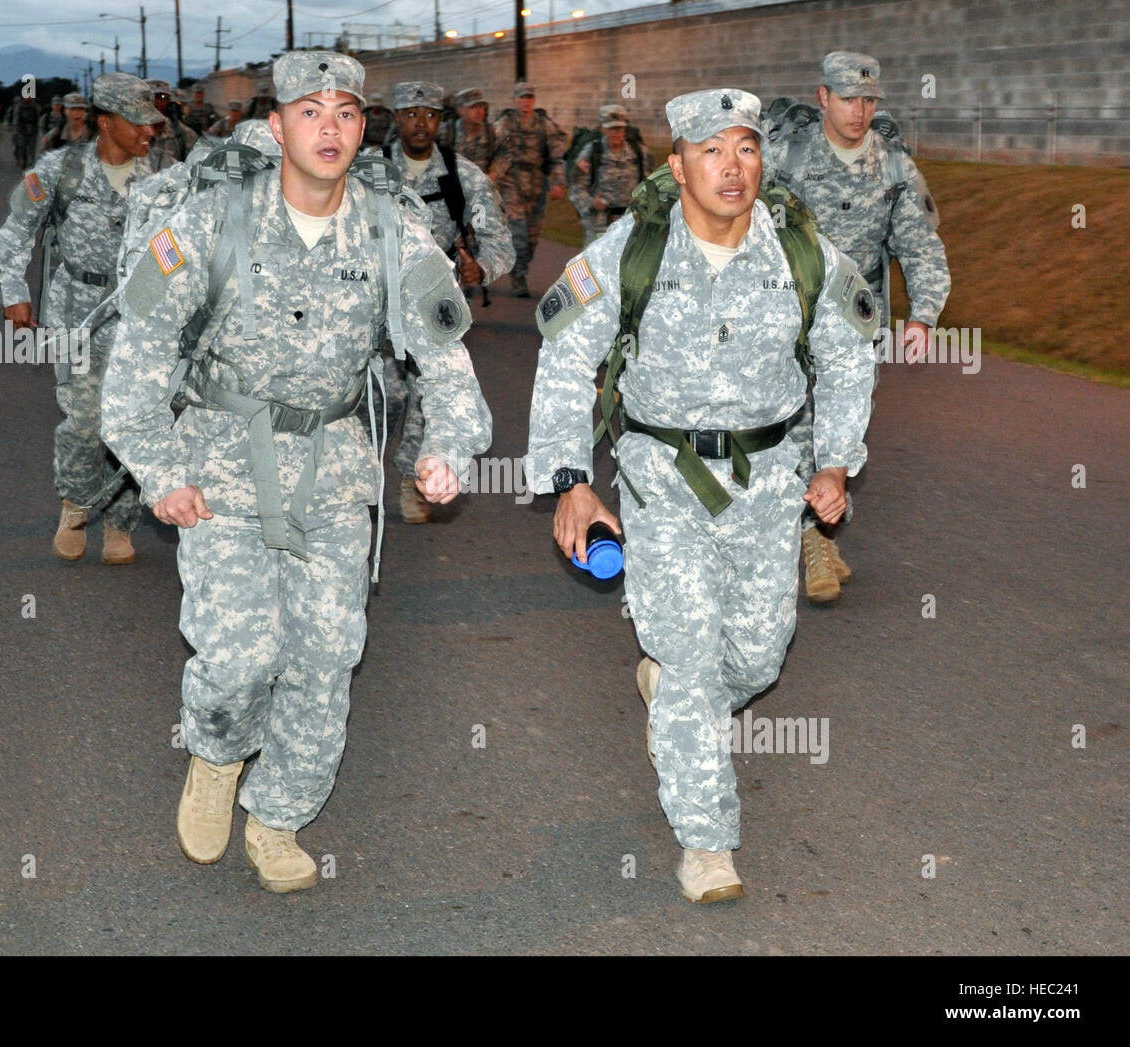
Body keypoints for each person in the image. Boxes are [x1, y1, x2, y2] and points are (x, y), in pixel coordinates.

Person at [100, 51, 492, 893]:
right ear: (275, 126)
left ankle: (278, 814)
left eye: (347, 113)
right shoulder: (209, 222)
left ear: (364, 128)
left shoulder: (392, 229)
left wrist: (449, 447)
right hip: (219, 467)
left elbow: (444, 357)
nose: (330, 128)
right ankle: (214, 755)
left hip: (336, 472)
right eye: (309, 112)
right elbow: (134, 363)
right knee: (240, 657)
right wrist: (160, 469)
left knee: (325, 655)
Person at [525, 89, 877, 904]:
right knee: (688, 655)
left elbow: (851, 352)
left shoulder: (801, 252)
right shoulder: (630, 251)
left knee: (757, 653)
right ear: (677, 165)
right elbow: (567, 362)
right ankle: (707, 839)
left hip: (768, 478)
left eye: (747, 148)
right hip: (660, 477)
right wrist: (573, 484)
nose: (732, 166)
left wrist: (836, 462)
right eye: (711, 150)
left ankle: (676, 700)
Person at [762, 51, 950, 604]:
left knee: (841, 429)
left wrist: (924, 314)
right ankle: (814, 537)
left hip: (854, 320)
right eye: (848, 98)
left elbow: (920, 245)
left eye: (869, 100)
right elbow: (727, 214)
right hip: (788, 312)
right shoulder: (784, 156)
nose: (859, 110)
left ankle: (813, 527)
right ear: (823, 97)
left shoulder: (893, 166)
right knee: (797, 425)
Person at [0, 73, 162, 565]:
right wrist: (13, 293)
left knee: (131, 422)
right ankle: (75, 506)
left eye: (153, 122)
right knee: (84, 421)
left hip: (139, 314)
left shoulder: (162, 179)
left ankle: (120, 522)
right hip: (73, 311)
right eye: (139, 122)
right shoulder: (59, 169)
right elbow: (16, 231)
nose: (149, 132)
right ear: (107, 122)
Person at [374, 80, 513, 524]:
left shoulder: (463, 175)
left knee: (424, 396)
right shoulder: (365, 171)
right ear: (396, 118)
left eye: (430, 114)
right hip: (370, 307)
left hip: (432, 308)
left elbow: (499, 244)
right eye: (411, 114)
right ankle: (356, 477)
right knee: (376, 398)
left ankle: (410, 478)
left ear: (440, 120)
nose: (421, 123)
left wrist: (481, 270)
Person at [491, 82, 567, 297]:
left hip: (537, 183)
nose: (526, 101)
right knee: (519, 234)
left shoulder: (544, 124)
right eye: (522, 97)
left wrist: (559, 182)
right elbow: (492, 149)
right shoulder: (505, 123)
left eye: (529, 97)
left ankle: (519, 267)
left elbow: (557, 156)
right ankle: (519, 276)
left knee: (533, 237)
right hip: (512, 182)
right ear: (514, 100)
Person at [568, 104, 652, 246]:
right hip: (599, 224)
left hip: (630, 223)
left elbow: (649, 186)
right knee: (597, 267)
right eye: (611, 128)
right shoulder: (592, 152)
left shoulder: (639, 152)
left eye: (619, 128)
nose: (615, 133)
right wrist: (591, 203)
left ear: (625, 128)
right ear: (602, 129)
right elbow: (576, 188)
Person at [437, 87, 497, 170]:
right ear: (460, 110)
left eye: (481, 106)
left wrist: (491, 176)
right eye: (473, 107)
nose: (479, 111)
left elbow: (504, 154)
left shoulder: (490, 132)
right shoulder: (446, 131)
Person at [147, 78, 198, 170]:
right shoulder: (129, 134)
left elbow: (193, 171)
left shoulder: (186, 135)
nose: (158, 102)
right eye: (152, 97)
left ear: (169, 101)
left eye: (163, 97)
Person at [9, 95, 42, 169]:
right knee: (22, 146)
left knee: (32, 147)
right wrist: (16, 128)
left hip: (32, 129)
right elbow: (16, 118)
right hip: (21, 129)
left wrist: (39, 126)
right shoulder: (19, 106)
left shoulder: (35, 106)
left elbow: (39, 117)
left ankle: (32, 162)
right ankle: (23, 161)